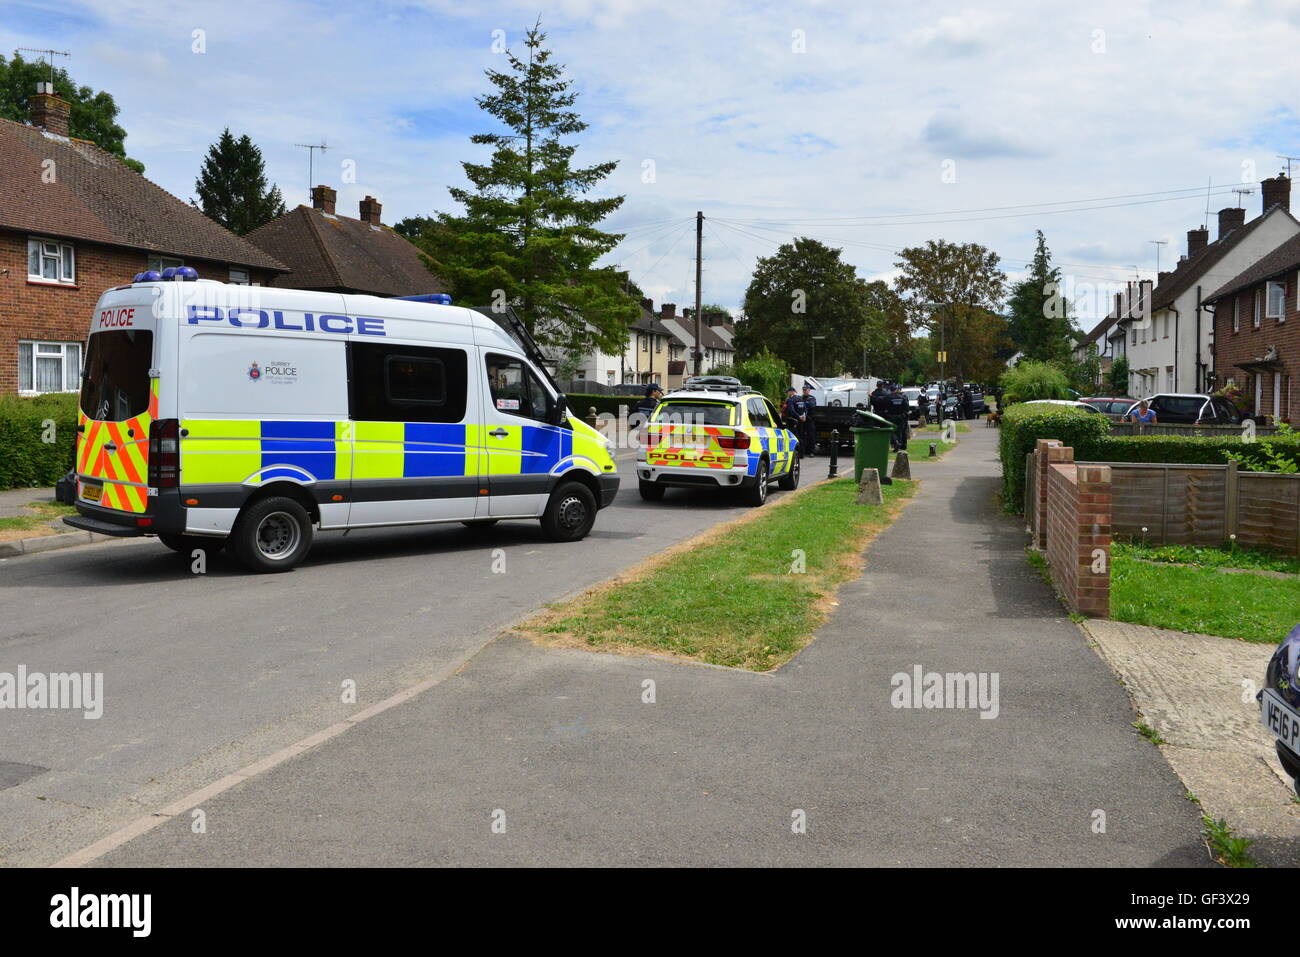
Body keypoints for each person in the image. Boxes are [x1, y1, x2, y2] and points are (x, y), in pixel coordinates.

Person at [886, 383, 910, 451]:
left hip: (891, 417)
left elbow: (885, 407)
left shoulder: (888, 397)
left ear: (890, 390)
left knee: (891, 431)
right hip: (900, 417)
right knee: (900, 431)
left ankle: (895, 442)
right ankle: (898, 443)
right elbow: (907, 408)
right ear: (896, 390)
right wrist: (903, 415)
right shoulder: (902, 398)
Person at [799, 382, 818, 457]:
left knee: (811, 436)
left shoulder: (812, 398)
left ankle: (811, 451)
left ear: (809, 390)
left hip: (810, 419)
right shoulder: (800, 398)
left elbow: (811, 405)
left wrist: (803, 404)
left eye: (806, 390)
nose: (804, 391)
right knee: (802, 436)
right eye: (803, 390)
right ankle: (802, 452)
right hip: (802, 420)